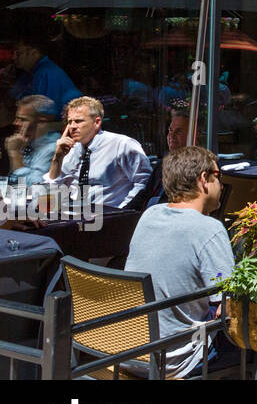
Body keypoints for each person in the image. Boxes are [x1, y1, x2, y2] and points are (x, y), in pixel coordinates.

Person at [122, 146, 239, 378]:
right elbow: (228, 305)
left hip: (131, 352)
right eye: (219, 176)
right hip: (177, 359)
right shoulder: (210, 229)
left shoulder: (150, 215)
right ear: (204, 179)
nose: (222, 184)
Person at [46, 96, 152, 209]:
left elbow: (144, 183)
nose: (72, 127)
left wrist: (123, 210)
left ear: (97, 122)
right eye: (69, 122)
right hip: (75, 213)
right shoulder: (71, 149)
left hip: (110, 214)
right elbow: (54, 186)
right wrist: (57, 157)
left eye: (78, 121)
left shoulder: (123, 144)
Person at [9, 36, 80, 111]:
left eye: (18, 53)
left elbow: (45, 113)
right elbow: (12, 99)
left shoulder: (47, 72)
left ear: (34, 52)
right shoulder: (29, 73)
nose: (13, 57)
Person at [5, 95, 60, 186]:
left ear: (42, 122)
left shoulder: (54, 148)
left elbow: (34, 187)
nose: (15, 123)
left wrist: (15, 154)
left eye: (22, 119)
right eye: (17, 118)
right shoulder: (26, 143)